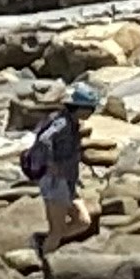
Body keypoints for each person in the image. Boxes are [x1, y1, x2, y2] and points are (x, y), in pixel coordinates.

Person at [22, 84, 102, 265]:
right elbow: (44, 140)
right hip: (55, 181)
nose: (92, 112)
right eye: (90, 108)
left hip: (68, 181)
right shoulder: (63, 123)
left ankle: (43, 240)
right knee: (57, 230)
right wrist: (51, 164)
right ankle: (45, 264)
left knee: (83, 221)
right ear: (79, 108)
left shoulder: (73, 123)